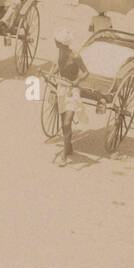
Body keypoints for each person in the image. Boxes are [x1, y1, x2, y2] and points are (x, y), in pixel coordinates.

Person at [52, 30, 89, 166]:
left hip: (72, 90)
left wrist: (77, 81)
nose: (54, 42)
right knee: (63, 123)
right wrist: (53, 73)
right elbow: (59, 65)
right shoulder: (60, 52)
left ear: (61, 44)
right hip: (61, 87)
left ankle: (63, 153)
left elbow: (86, 72)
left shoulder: (75, 56)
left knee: (67, 123)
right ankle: (68, 146)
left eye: (56, 41)